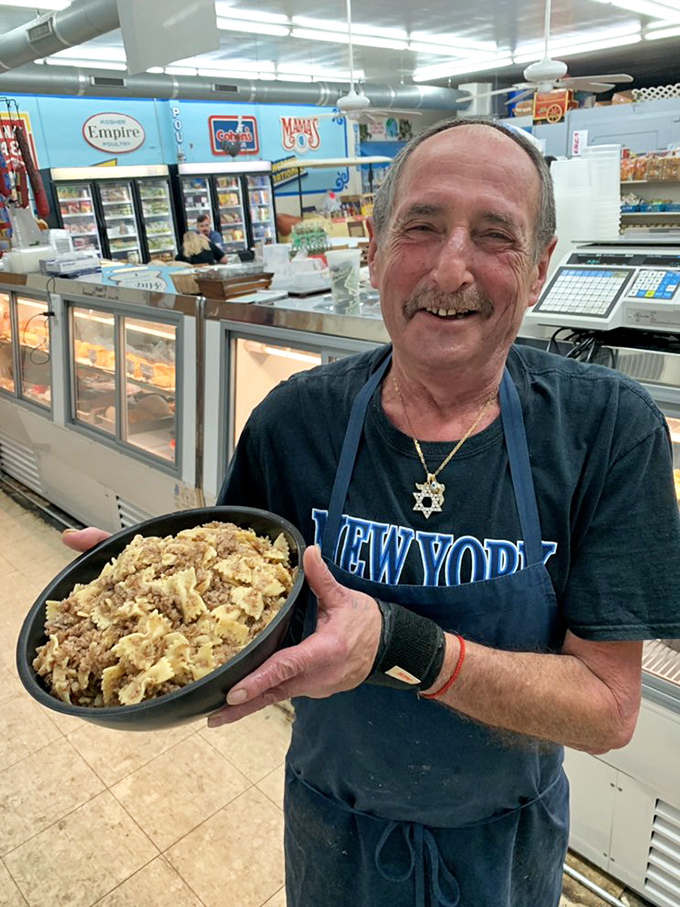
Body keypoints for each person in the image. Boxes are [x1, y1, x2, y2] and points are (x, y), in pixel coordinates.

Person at [65, 118, 680, 907]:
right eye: (421, 226)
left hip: (503, 845)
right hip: (334, 829)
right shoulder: (293, 421)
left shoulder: (608, 431)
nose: (451, 268)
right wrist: (147, 602)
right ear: (376, 245)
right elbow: (252, 623)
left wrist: (402, 642)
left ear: (537, 271)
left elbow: (606, 710)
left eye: (494, 236)